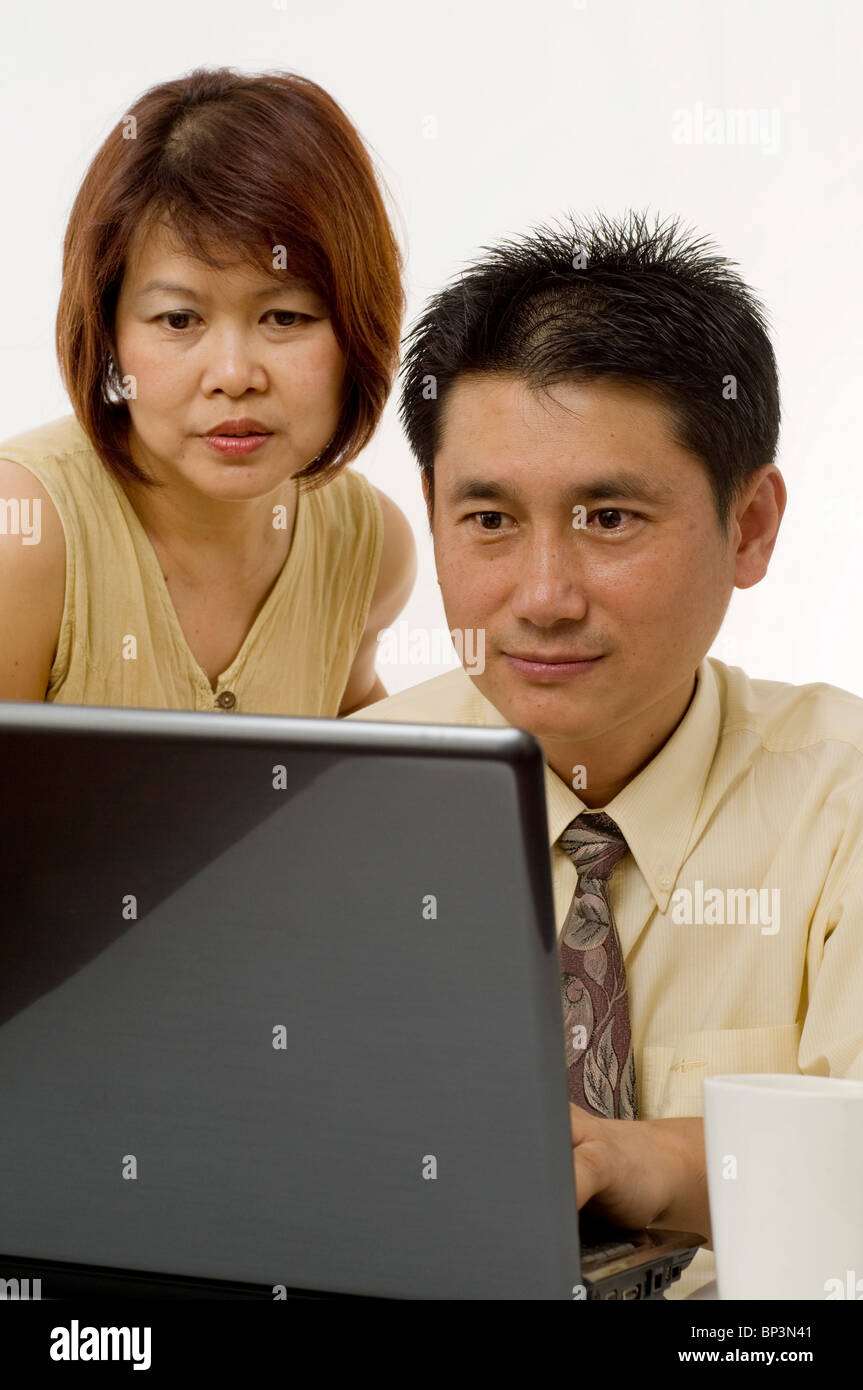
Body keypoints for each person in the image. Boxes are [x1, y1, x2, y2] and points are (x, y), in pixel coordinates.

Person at [348, 210, 863, 1299]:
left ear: (751, 526)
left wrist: (646, 1163)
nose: (542, 597)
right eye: (486, 520)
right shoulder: (332, 801)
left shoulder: (842, 798)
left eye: (607, 516)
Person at [0, 67, 416, 714]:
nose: (232, 374)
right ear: (107, 331)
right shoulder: (23, 539)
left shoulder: (369, 548)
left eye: (285, 318)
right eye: (178, 320)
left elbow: (358, 778)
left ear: (359, 326)